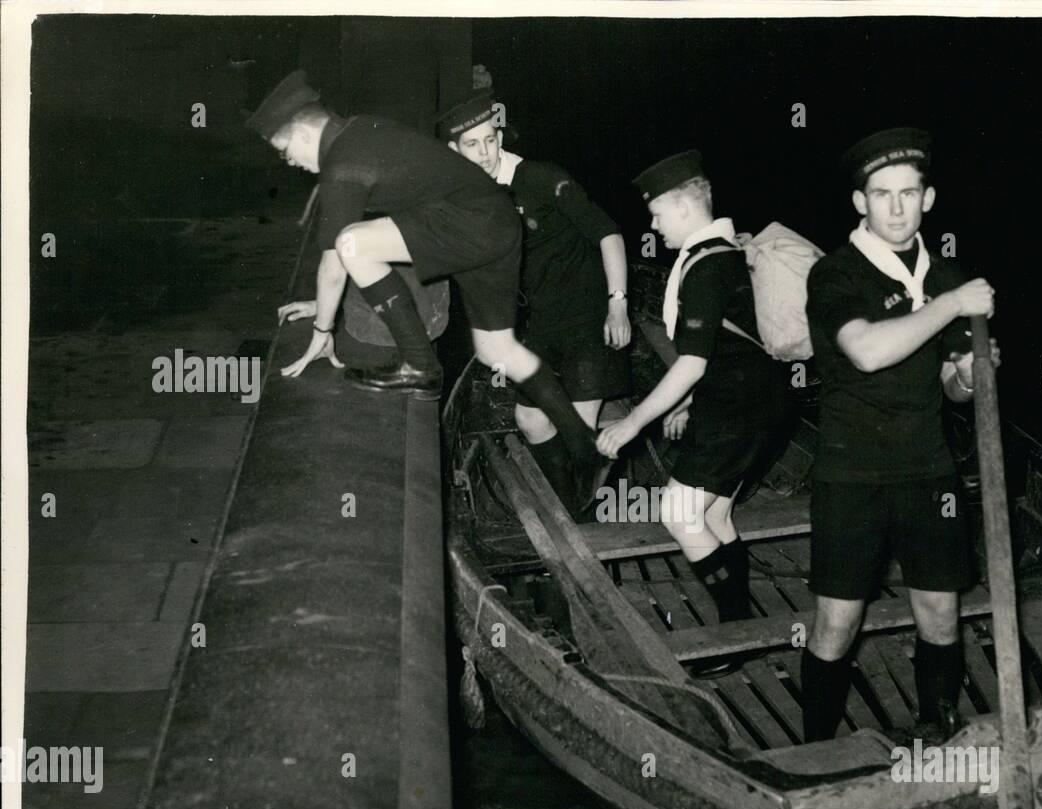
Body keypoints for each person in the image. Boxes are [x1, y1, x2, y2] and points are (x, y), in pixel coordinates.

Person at [246, 71, 603, 497]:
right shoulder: (361, 127)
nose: (289, 162)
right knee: (497, 351)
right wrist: (321, 304)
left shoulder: (341, 167)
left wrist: (323, 331)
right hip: (496, 223)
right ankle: (587, 447)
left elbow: (335, 262)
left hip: (467, 227)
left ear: (304, 130)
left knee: (353, 245)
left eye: (285, 150)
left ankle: (419, 365)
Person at [800, 127, 999, 743]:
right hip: (850, 472)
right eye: (881, 194)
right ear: (859, 202)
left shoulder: (946, 275)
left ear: (928, 200)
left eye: (908, 194)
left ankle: (935, 732)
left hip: (928, 469)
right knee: (837, 623)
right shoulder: (835, 275)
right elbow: (865, 351)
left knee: (942, 612)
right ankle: (818, 750)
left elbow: (951, 387)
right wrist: (951, 306)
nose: (895, 208)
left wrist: (968, 373)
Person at [597, 151, 790, 667]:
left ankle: (735, 632)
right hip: (757, 402)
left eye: (658, 213)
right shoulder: (720, 253)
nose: (654, 225)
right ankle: (741, 632)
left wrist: (634, 423)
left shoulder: (709, 265)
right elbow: (720, 348)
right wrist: (683, 403)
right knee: (716, 513)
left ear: (685, 206)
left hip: (737, 409)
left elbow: (692, 362)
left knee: (678, 512)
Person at [440, 91, 632, 514]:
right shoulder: (471, 196)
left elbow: (608, 233)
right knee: (530, 419)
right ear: (455, 151)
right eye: (472, 145)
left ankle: (581, 514)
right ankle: (569, 506)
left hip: (588, 314)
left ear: (500, 135)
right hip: (541, 320)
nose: (485, 152)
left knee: (579, 431)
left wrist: (618, 302)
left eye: (491, 139)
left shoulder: (543, 177)